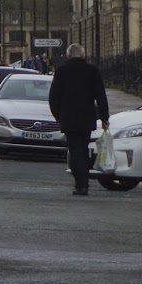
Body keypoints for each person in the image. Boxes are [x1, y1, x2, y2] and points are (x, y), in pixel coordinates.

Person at [48, 43, 109, 196]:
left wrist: (58, 115)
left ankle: (81, 184)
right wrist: (104, 117)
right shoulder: (92, 71)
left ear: (68, 56)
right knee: (83, 148)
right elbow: (101, 95)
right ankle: (83, 182)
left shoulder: (62, 71)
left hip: (69, 117)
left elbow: (53, 97)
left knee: (75, 150)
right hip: (87, 117)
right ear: (83, 55)